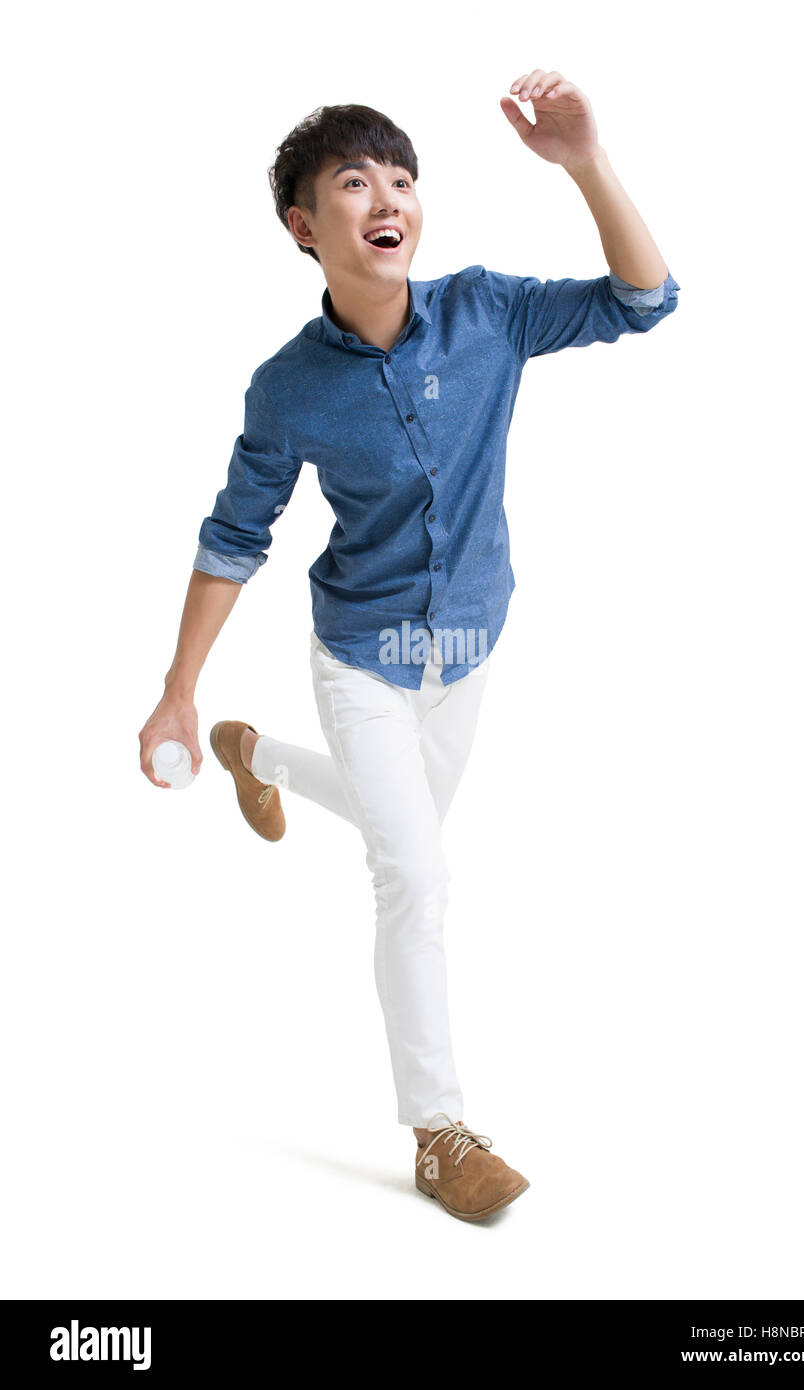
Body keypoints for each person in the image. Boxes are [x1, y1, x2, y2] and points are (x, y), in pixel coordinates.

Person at [138, 70, 680, 1223]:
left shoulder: (486, 312)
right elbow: (236, 534)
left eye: (400, 178)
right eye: (352, 182)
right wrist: (176, 689)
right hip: (361, 658)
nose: (386, 197)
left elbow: (645, 299)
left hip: (473, 646)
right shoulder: (287, 389)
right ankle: (438, 1130)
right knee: (416, 875)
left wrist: (583, 162)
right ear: (305, 226)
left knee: (410, 834)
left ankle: (263, 758)